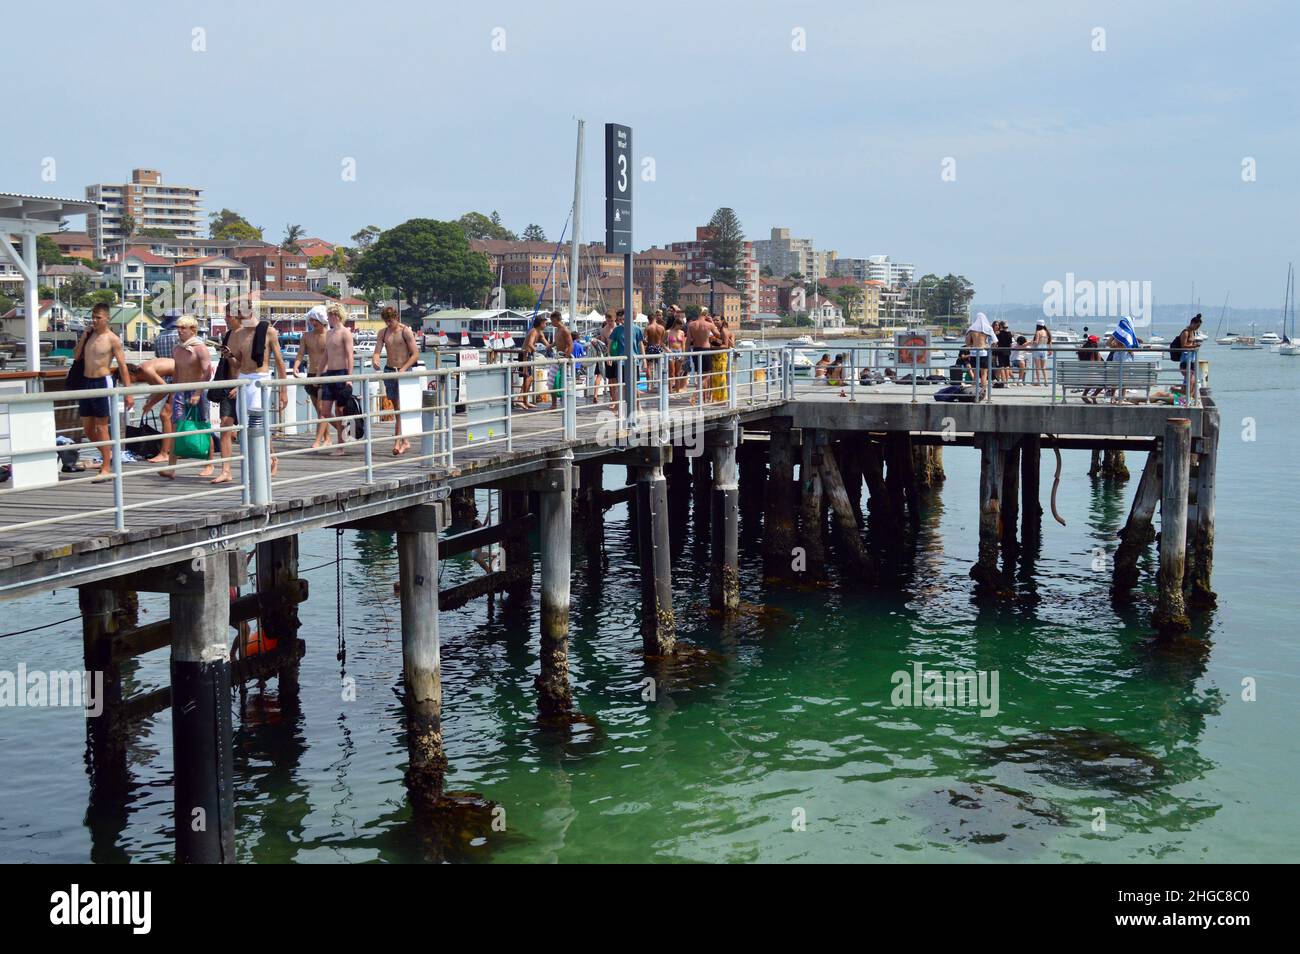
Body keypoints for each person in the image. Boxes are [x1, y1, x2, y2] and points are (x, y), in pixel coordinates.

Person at [225, 298, 289, 472]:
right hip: (243, 379)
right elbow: (238, 364)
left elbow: (280, 362)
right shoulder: (238, 334)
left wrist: (283, 391)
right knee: (245, 425)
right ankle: (258, 462)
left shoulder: (268, 331)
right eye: (236, 313)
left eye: (239, 312)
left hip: (260, 378)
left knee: (257, 422)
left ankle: (269, 460)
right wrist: (229, 356)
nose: (237, 316)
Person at [71, 302, 133, 479]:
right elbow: (76, 356)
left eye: (98, 318)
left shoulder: (112, 339)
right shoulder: (89, 335)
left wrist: (128, 393)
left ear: (107, 318)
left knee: (101, 427)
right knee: (88, 429)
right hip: (85, 382)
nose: (95, 321)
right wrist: (83, 337)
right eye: (93, 317)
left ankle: (105, 467)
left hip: (102, 382)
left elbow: (122, 366)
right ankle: (109, 455)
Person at [159, 316, 214, 478]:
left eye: (183, 328)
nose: (180, 330)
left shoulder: (199, 348)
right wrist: (171, 395)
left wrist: (197, 393)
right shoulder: (177, 349)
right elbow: (177, 372)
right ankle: (171, 467)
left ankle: (209, 464)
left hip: (197, 391)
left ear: (193, 330)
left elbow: (207, 373)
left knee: (203, 426)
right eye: (178, 327)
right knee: (176, 428)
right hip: (180, 392)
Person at [372, 304, 420, 455]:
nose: (388, 324)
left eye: (390, 321)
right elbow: (377, 351)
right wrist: (375, 359)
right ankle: (405, 440)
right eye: (386, 321)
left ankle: (397, 443)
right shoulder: (383, 333)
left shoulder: (405, 331)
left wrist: (404, 369)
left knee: (400, 409)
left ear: (397, 318)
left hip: (404, 371)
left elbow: (415, 354)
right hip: (389, 371)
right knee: (396, 407)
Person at [293, 305, 332, 448]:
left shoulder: (329, 335)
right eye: (311, 320)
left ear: (322, 320)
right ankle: (328, 437)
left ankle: (317, 440)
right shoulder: (306, 336)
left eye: (315, 320)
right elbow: (301, 354)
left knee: (322, 408)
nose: (313, 323)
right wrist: (296, 365)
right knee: (319, 410)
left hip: (325, 374)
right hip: (311, 374)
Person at [133, 357, 177, 463]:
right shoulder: (144, 368)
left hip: (183, 377)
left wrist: (150, 404)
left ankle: (164, 453)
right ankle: (171, 450)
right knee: (170, 417)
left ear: (132, 374)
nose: (133, 383)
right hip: (178, 378)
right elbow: (159, 389)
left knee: (165, 415)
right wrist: (150, 400)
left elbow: (164, 389)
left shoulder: (146, 370)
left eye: (131, 380)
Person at [684, 308, 715, 404]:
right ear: (706, 314)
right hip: (705, 350)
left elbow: (688, 341)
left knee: (700, 375)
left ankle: (703, 398)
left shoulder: (691, 324)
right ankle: (694, 395)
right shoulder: (709, 324)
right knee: (707, 375)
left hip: (696, 350)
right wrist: (712, 322)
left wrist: (686, 354)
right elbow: (718, 334)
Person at [518, 315, 547, 409]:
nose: (546, 325)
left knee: (529, 378)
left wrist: (553, 345)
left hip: (528, 355)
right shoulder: (534, 331)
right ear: (540, 323)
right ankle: (522, 400)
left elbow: (547, 344)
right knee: (528, 377)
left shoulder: (539, 332)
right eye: (545, 323)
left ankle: (523, 400)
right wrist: (536, 351)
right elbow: (530, 343)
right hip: (525, 355)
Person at [1173, 313, 1202, 402]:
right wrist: (1194, 346)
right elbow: (1184, 346)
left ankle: (1186, 398)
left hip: (1191, 359)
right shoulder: (1185, 332)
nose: (1197, 328)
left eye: (1198, 327)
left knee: (1192, 381)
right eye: (1196, 326)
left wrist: (1194, 345)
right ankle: (1175, 390)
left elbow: (1190, 344)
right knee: (1191, 379)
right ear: (1192, 323)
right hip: (1185, 360)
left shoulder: (1192, 332)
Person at [965, 311, 994, 397]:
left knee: (975, 374)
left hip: (974, 353)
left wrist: (973, 343)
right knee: (984, 374)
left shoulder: (971, 329)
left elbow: (967, 343)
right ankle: (983, 393)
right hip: (983, 352)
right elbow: (995, 341)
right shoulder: (987, 328)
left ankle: (974, 393)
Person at [547, 310, 572, 409]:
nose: (551, 323)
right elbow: (558, 341)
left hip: (562, 358)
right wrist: (550, 345)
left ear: (556, 320)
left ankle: (556, 404)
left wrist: (566, 358)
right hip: (557, 357)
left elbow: (570, 345)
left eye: (552, 321)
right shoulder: (558, 330)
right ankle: (554, 404)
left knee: (557, 381)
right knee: (552, 381)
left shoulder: (565, 330)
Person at [643, 309, 666, 391]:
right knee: (660, 367)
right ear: (655, 318)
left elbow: (644, 340)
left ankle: (649, 385)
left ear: (648, 319)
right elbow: (662, 340)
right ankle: (660, 385)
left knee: (649, 367)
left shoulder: (648, 328)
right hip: (658, 347)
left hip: (650, 347)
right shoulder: (662, 328)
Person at [1031, 320, 1052, 386]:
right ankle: (1046, 381)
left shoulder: (1038, 332)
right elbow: (1050, 342)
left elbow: (1036, 342)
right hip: (1044, 350)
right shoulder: (1047, 332)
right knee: (1044, 367)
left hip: (1037, 350)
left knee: (1037, 367)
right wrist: (1050, 350)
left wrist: (1031, 342)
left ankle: (1038, 382)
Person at [995, 320, 1014, 384]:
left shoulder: (998, 333)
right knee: (1007, 366)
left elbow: (996, 343)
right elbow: (1011, 344)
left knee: (1001, 366)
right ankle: (1007, 382)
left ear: (1001, 326)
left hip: (1000, 351)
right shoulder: (1009, 333)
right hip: (1007, 351)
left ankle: (1004, 381)